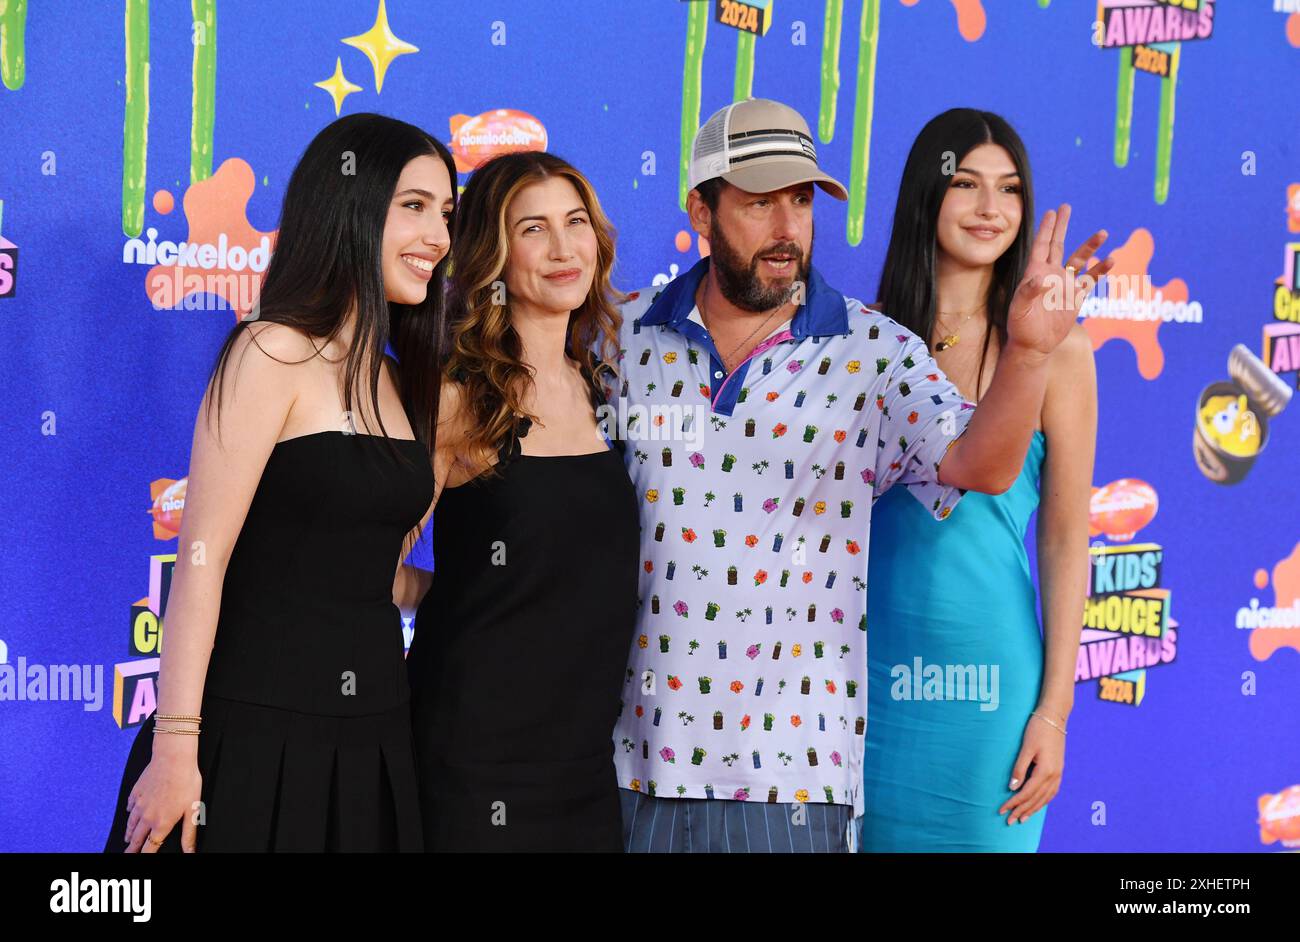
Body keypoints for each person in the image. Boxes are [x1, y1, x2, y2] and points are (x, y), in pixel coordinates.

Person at [607, 97, 1108, 852]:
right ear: (700, 213)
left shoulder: (873, 352)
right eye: (759, 203)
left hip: (811, 763)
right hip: (639, 760)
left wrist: (1032, 351)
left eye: (802, 201)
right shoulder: (620, 340)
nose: (786, 228)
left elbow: (988, 473)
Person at [104, 113, 456, 852]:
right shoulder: (271, 352)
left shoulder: (408, 384)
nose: (438, 238)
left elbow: (367, 573)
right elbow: (202, 562)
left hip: (371, 745)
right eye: (414, 206)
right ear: (348, 208)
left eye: (445, 214)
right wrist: (176, 752)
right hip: (252, 735)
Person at [860, 109, 1101, 851]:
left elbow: (1065, 537)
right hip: (857, 691)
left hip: (991, 695)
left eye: (1010, 189)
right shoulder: (858, 339)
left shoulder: (1061, 355)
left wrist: (1053, 710)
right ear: (924, 198)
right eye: (966, 183)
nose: (992, 208)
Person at [394, 152, 638, 851]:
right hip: (471, 766)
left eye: (576, 222)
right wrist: (456, 596)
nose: (564, 249)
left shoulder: (601, 384)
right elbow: (363, 564)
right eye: (534, 229)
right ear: (494, 255)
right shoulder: (459, 398)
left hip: (585, 771)